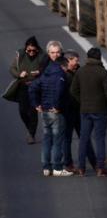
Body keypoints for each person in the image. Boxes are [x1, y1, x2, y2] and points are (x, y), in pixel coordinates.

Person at [29, 43, 72, 176]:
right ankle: (57, 168)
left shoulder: (45, 72)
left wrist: (36, 104)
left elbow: (32, 87)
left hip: (45, 110)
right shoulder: (60, 74)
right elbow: (59, 91)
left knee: (47, 139)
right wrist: (57, 106)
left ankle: (46, 168)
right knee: (57, 141)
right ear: (63, 66)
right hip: (56, 112)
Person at [71, 47, 107, 176]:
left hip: (85, 110)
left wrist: (82, 101)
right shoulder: (102, 72)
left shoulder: (80, 71)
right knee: (99, 138)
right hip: (100, 110)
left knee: (84, 139)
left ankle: (81, 168)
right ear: (99, 58)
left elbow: (73, 90)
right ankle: (100, 167)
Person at [8, 36, 45, 143]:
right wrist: (19, 74)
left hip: (35, 87)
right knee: (23, 111)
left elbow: (46, 68)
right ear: (26, 49)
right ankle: (30, 129)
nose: (31, 53)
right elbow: (12, 68)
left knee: (33, 111)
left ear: (37, 49)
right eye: (29, 50)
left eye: (34, 50)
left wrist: (39, 72)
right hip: (23, 86)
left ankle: (31, 134)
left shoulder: (42, 56)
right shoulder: (20, 55)